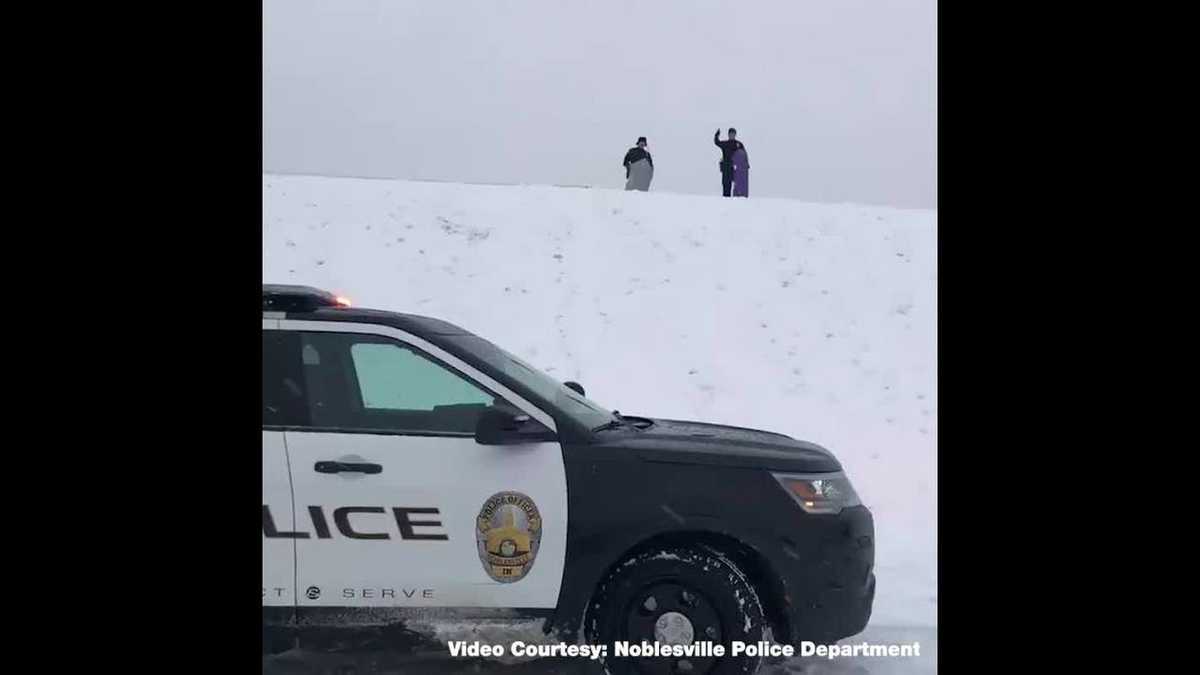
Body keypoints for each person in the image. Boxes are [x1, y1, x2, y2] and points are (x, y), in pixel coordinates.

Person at [713, 127, 745, 197]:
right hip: (725, 166)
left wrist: (746, 165)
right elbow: (717, 142)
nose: (732, 135)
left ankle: (733, 199)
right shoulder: (725, 144)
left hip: (733, 167)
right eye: (730, 134)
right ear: (728, 135)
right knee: (725, 184)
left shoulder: (738, 144)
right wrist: (716, 135)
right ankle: (725, 199)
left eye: (733, 134)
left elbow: (743, 154)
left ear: (735, 135)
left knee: (734, 184)